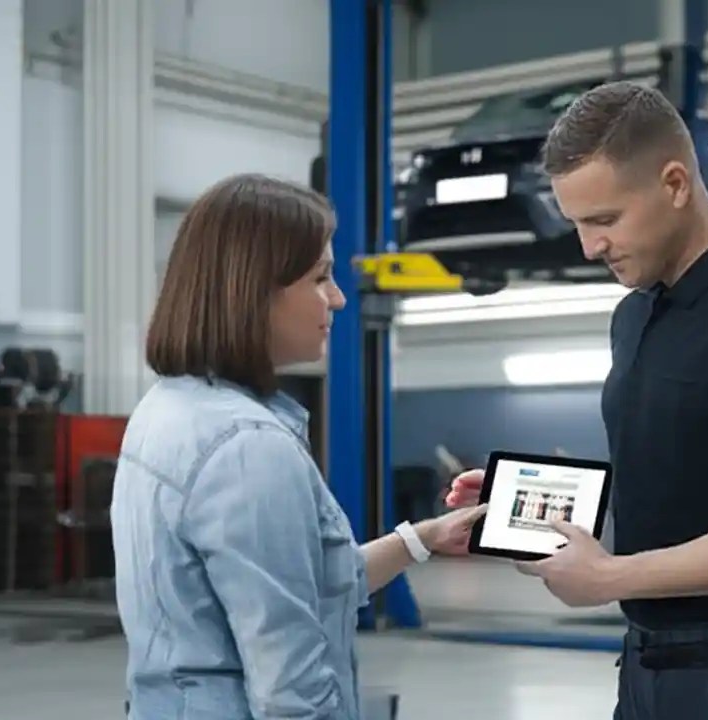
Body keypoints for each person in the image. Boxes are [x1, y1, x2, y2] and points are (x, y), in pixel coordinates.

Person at [446, 81, 708, 718]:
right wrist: (518, 520)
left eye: (604, 219)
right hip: (645, 672)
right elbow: (676, 481)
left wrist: (610, 578)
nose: (588, 246)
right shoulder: (634, 317)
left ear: (675, 184)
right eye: (577, 223)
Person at [110, 174, 487, 719]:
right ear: (254, 289)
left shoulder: (168, 409)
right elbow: (288, 685)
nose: (336, 298)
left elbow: (307, 585)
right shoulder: (248, 447)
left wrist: (423, 539)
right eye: (321, 277)